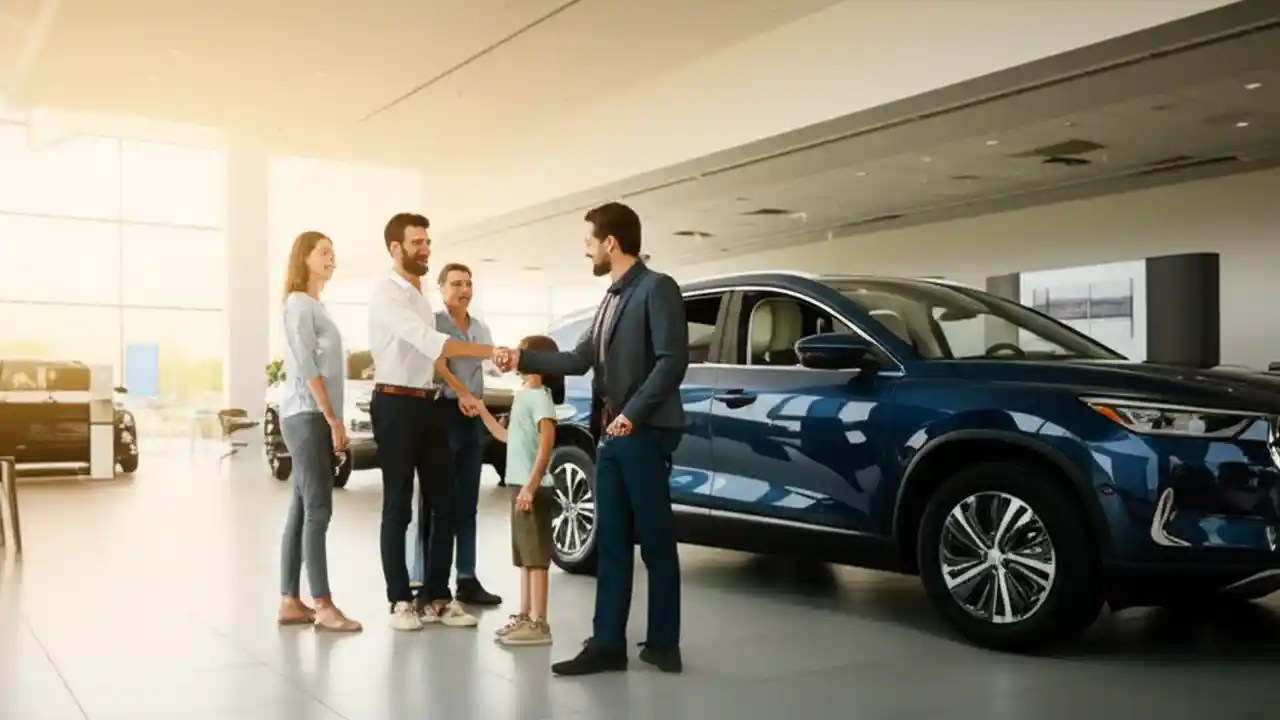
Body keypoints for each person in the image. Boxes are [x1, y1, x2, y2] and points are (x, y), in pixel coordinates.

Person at [495, 202, 690, 675]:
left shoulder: (656, 288)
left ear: (611, 243)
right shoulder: (610, 299)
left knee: (656, 543)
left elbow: (672, 361)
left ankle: (664, 645)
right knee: (613, 544)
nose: (586, 251)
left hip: (641, 434)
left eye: (589, 242)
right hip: (611, 437)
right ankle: (607, 645)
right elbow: (579, 358)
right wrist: (521, 357)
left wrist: (633, 416)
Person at [368, 212, 500, 631]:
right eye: (416, 243)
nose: (425, 249)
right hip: (394, 405)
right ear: (395, 248)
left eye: (427, 241)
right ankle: (399, 601)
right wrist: (491, 352)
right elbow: (431, 342)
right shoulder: (386, 294)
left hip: (427, 405)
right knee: (398, 505)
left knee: (447, 503)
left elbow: (436, 356)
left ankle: (438, 598)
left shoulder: (423, 293)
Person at [276, 231, 361, 632]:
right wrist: (333, 419)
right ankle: (324, 605)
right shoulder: (297, 304)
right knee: (319, 510)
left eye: (333, 252)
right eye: (324, 252)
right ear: (304, 258)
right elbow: (306, 365)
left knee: (300, 509)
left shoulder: (314, 305)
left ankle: (291, 601)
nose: (332, 259)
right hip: (307, 416)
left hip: (312, 415)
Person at [478, 335, 563, 646]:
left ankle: (540, 623)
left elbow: (546, 443)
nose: (514, 356)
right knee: (525, 556)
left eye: (522, 352)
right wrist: (482, 411)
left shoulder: (540, 397)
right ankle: (525, 616)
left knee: (537, 557)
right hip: (519, 485)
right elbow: (507, 436)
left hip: (533, 489)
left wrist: (531, 484)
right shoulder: (523, 395)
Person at [432, 262, 503, 606]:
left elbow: (489, 364)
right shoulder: (434, 324)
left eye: (468, 283)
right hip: (443, 414)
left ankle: (467, 578)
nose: (464, 289)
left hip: (472, 416)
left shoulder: (480, 327)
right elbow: (437, 362)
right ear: (441, 287)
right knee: (439, 503)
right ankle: (430, 581)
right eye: (457, 283)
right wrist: (460, 393)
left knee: (468, 504)